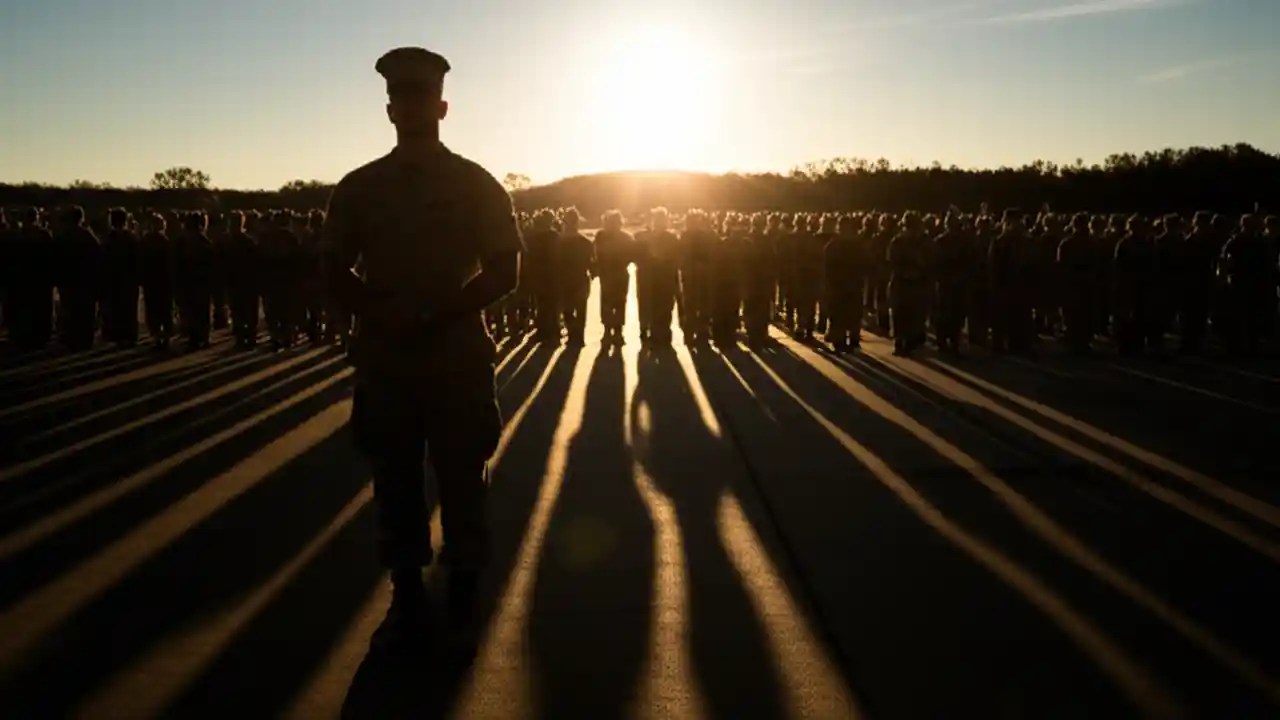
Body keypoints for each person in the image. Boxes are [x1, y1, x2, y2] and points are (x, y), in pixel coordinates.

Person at [323, 46, 523, 652]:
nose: (411, 108)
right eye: (400, 99)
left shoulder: (475, 183)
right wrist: (382, 312)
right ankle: (406, 584)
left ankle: (464, 578)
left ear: (442, 106)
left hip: (455, 354)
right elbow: (331, 268)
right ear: (389, 111)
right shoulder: (359, 188)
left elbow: (506, 268)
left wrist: (437, 311)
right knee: (395, 477)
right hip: (388, 360)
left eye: (421, 97)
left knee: (464, 475)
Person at [56, 206, 102, 351]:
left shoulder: (64, 236)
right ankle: (85, 338)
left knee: (71, 310)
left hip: (70, 281)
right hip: (86, 281)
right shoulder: (89, 237)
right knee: (85, 312)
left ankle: (72, 337)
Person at [888, 211, 934, 356]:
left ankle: (907, 340)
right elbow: (892, 261)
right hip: (906, 282)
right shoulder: (899, 241)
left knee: (909, 314)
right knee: (904, 313)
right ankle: (903, 341)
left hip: (914, 283)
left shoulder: (920, 242)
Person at [823, 214, 870, 353]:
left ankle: (840, 340)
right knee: (852, 313)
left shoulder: (833, 245)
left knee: (839, 314)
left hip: (839, 285)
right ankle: (852, 339)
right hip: (851, 284)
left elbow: (827, 267)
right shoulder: (858, 245)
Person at [1057, 213, 1099, 354]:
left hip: (1075, 282)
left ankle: (1075, 340)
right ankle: (1081, 341)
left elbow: (1061, 266)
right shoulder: (1092, 242)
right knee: (1082, 313)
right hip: (1083, 282)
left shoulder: (1068, 243)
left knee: (1074, 313)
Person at [933, 212, 972, 355]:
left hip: (947, 282)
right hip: (955, 282)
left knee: (947, 314)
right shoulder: (963, 241)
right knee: (954, 314)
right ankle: (952, 343)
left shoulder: (941, 241)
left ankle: (944, 342)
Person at [102, 208, 141, 345]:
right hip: (128, 279)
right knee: (129, 308)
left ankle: (117, 335)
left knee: (116, 308)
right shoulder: (131, 238)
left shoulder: (108, 239)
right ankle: (129, 335)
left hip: (114, 279)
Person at [594, 209, 633, 346]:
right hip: (619, 273)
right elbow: (630, 256)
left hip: (608, 273)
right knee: (619, 303)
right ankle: (616, 331)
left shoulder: (601, 236)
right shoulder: (626, 237)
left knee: (608, 302)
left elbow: (597, 254)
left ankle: (608, 331)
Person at [223, 211, 261, 349]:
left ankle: (243, 337)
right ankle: (249, 337)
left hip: (238, 281)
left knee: (239, 311)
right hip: (245, 281)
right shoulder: (248, 241)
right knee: (246, 312)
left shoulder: (228, 242)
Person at [177, 211, 215, 350]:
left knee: (190, 310)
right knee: (202, 310)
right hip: (201, 282)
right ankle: (203, 337)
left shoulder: (181, 242)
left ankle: (193, 337)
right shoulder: (204, 242)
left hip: (187, 281)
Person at [557, 207, 593, 347]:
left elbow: (555, 262)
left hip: (564, 279)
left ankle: (573, 334)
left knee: (567, 310)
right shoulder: (586, 242)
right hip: (581, 278)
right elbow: (592, 263)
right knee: (581, 309)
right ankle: (579, 336)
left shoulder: (558, 242)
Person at [524, 208, 560, 343]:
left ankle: (543, 330)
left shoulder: (533, 237)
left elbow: (529, 256)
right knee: (551, 304)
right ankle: (553, 331)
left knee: (542, 303)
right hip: (552, 275)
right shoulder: (555, 236)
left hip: (539, 275)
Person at [140, 213, 175, 348]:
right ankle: (165, 335)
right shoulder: (165, 242)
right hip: (164, 281)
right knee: (165, 309)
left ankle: (156, 335)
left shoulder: (145, 241)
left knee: (153, 310)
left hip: (151, 281)